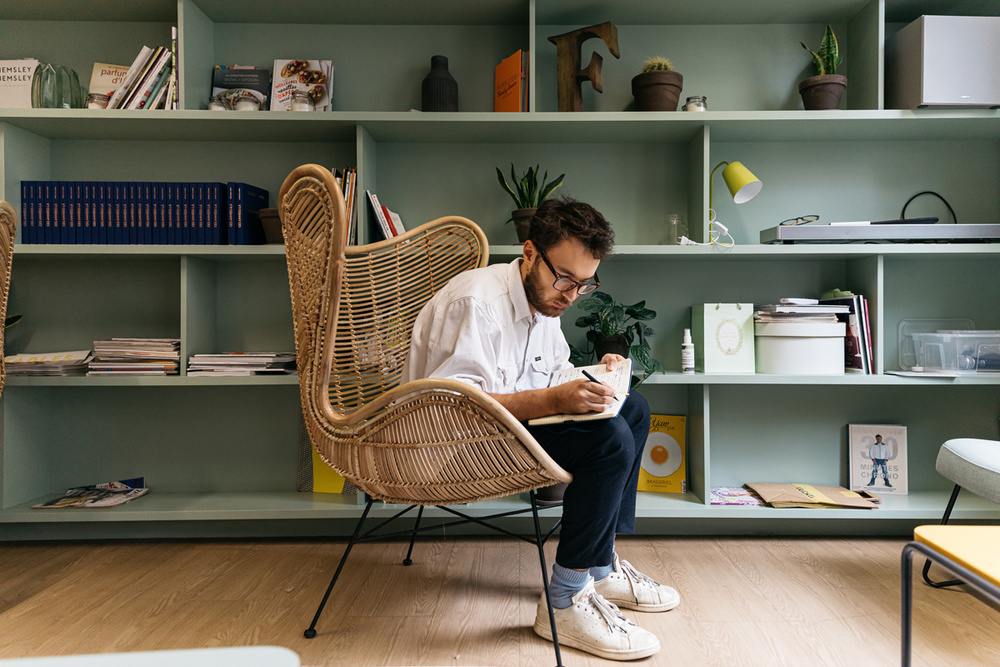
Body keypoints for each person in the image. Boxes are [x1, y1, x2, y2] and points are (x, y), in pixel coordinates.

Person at [401, 196, 678, 661]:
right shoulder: (477, 302)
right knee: (608, 441)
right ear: (529, 252)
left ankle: (599, 566)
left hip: (509, 433)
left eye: (584, 284)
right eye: (564, 278)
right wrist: (554, 399)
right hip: (454, 445)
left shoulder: (543, 303)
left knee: (632, 409)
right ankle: (565, 600)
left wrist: (599, 376)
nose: (571, 295)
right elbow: (452, 408)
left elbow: (552, 377)